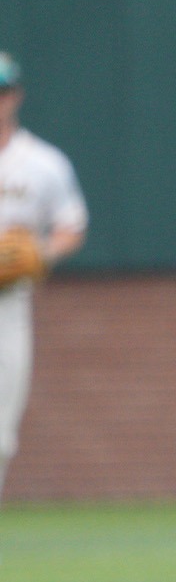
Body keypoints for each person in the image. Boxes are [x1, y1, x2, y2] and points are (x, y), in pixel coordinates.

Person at [0, 52, 89, 502]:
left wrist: (40, 253)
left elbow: (71, 226)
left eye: (2, 91)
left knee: (0, 441)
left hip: (7, 305)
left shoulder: (42, 162)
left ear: (15, 96)